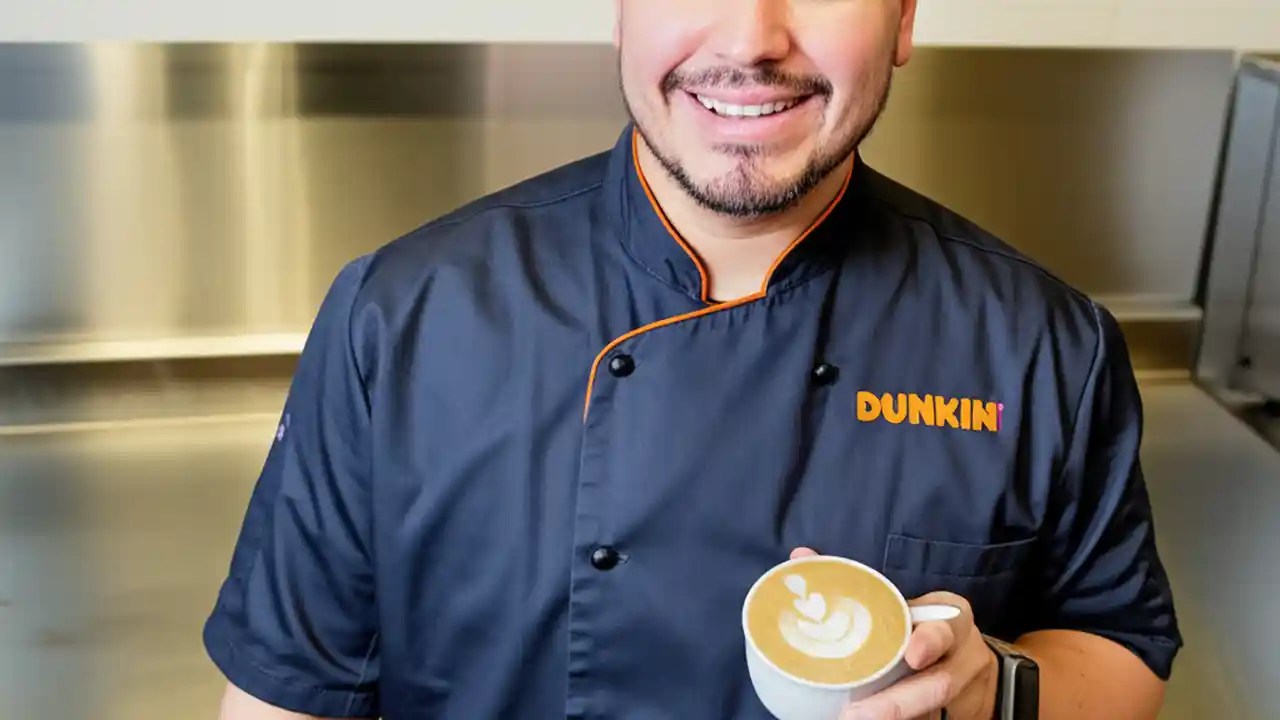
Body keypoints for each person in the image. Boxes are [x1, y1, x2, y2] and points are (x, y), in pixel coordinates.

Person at [205, 1, 1182, 718]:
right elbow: (288, 688)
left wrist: (994, 694)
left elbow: (1117, 642)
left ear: (901, 19)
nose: (750, 39)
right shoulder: (407, 311)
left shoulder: (1041, 341)